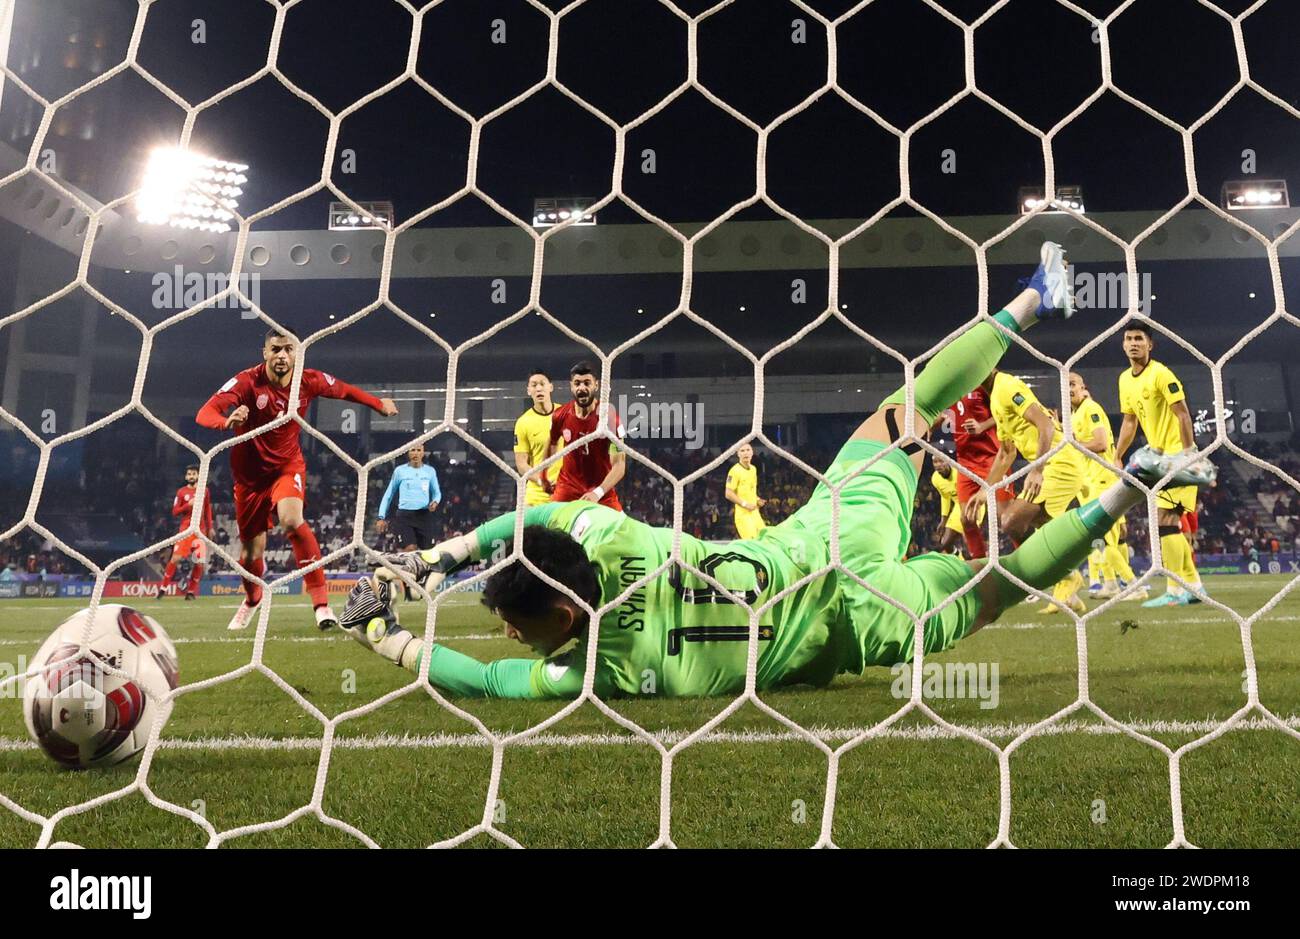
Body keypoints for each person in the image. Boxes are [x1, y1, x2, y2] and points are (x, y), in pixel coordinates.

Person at [338, 244, 1217, 699]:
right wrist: (443, 558)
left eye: (519, 626)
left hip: (861, 623)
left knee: (1005, 584)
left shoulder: (597, 674)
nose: (512, 640)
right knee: (904, 410)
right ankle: (1031, 292)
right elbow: (534, 529)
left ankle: (1125, 485)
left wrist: (386, 637)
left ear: (566, 613)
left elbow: (482, 680)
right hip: (827, 535)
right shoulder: (605, 531)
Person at [196, 328, 398, 631]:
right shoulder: (247, 382)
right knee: (251, 553)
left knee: (291, 519)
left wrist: (377, 403)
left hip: (286, 468)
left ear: (298, 353)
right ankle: (252, 599)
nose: (282, 355)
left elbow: (343, 389)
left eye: (289, 349)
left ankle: (321, 605)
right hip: (249, 480)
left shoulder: (308, 380)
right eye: (275, 349)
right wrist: (225, 421)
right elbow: (205, 412)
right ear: (264, 352)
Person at [969, 366, 1089, 614]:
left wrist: (1037, 470)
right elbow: (1006, 452)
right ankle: (1068, 581)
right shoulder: (995, 400)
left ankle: (1065, 576)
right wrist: (984, 490)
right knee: (1041, 527)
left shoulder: (1007, 386)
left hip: (1060, 463)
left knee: (1012, 521)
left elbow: (1045, 425)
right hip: (1053, 464)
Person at [1114, 324, 1206, 606]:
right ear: (1123, 345)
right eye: (1128, 339)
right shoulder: (1124, 380)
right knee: (1166, 522)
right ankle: (1194, 587)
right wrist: (1118, 454)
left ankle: (1175, 590)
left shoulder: (1162, 374)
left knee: (1166, 520)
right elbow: (1130, 421)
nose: (1133, 343)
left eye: (1139, 339)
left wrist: (1188, 453)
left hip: (1177, 457)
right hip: (1158, 461)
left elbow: (1183, 415)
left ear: (1150, 345)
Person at [1067, 372, 1144, 601]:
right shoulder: (1074, 414)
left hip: (1100, 479)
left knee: (1105, 537)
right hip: (1089, 481)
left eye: (1073, 384)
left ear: (1083, 387)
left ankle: (1133, 585)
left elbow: (1100, 443)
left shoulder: (1090, 408)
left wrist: (1073, 445)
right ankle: (1110, 584)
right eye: (1065, 386)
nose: (1069, 389)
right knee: (1107, 537)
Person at [943, 382, 1014, 558]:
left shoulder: (983, 384)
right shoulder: (952, 387)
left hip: (992, 458)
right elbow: (952, 414)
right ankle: (982, 565)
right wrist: (934, 423)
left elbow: (1004, 413)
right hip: (965, 463)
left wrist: (983, 425)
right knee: (967, 519)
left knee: (1006, 518)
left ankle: (1029, 560)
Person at [545, 361, 625, 510]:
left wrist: (597, 492)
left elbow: (619, 465)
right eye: (577, 383)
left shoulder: (611, 418)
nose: (581, 388)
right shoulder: (559, 416)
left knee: (622, 532)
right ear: (571, 386)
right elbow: (552, 444)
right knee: (549, 528)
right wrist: (545, 475)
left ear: (596, 385)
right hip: (567, 489)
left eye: (587, 383)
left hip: (601, 492)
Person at [159, 464, 213, 600]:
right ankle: (163, 589)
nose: (191, 476)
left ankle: (190, 592)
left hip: (200, 532)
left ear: (198, 475)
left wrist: (210, 528)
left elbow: (207, 510)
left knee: (199, 562)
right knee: (175, 558)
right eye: (189, 474)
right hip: (185, 530)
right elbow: (175, 512)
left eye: (193, 474)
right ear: (186, 476)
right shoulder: (181, 492)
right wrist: (187, 505)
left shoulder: (204, 491)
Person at [376, 444, 441, 551]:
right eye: (413, 450)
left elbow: (437, 493)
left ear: (423, 453)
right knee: (410, 549)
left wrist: (435, 501)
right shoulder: (400, 471)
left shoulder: (430, 471)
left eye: (418, 450)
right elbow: (388, 494)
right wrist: (381, 517)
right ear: (408, 452)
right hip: (404, 516)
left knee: (428, 553)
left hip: (424, 515)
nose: (416, 453)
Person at [512, 369, 560, 505]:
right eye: (534, 385)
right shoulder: (523, 423)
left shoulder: (566, 415)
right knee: (520, 525)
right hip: (535, 498)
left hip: (565, 495)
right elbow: (521, 464)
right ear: (528, 390)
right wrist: (541, 480)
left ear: (550, 387)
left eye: (542, 384)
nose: (538, 388)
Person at [725, 442, 766, 540]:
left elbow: (750, 489)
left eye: (748, 450)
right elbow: (728, 493)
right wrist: (745, 504)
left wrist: (757, 499)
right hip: (743, 515)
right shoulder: (734, 471)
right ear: (738, 454)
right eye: (742, 451)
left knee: (765, 538)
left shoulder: (753, 469)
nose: (745, 453)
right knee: (753, 543)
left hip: (755, 512)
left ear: (752, 452)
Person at [929, 453, 965, 554]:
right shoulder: (935, 479)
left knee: (967, 541)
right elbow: (945, 497)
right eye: (935, 462)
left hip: (971, 503)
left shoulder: (960, 472)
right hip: (958, 507)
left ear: (948, 461)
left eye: (941, 461)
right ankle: (957, 556)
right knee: (945, 543)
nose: (938, 465)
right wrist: (943, 520)